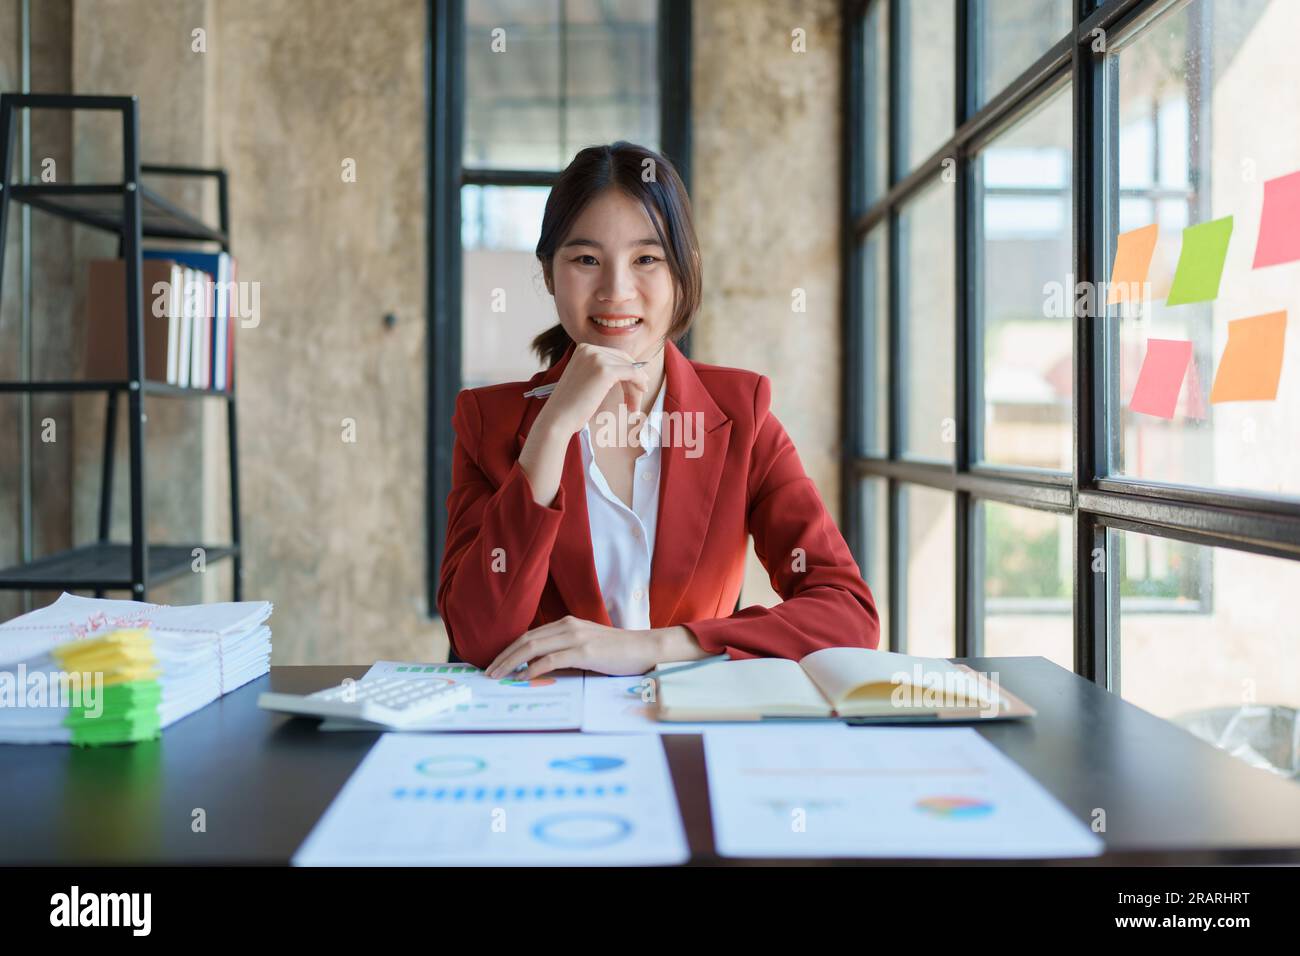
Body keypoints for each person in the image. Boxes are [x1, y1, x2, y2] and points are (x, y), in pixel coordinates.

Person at [438, 141, 879, 679]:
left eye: (646, 259)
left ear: (682, 272)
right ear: (550, 274)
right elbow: (480, 637)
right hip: (546, 737)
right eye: (585, 260)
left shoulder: (741, 412)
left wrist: (653, 647)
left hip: (691, 730)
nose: (616, 290)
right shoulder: (489, 421)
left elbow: (847, 614)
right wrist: (551, 432)